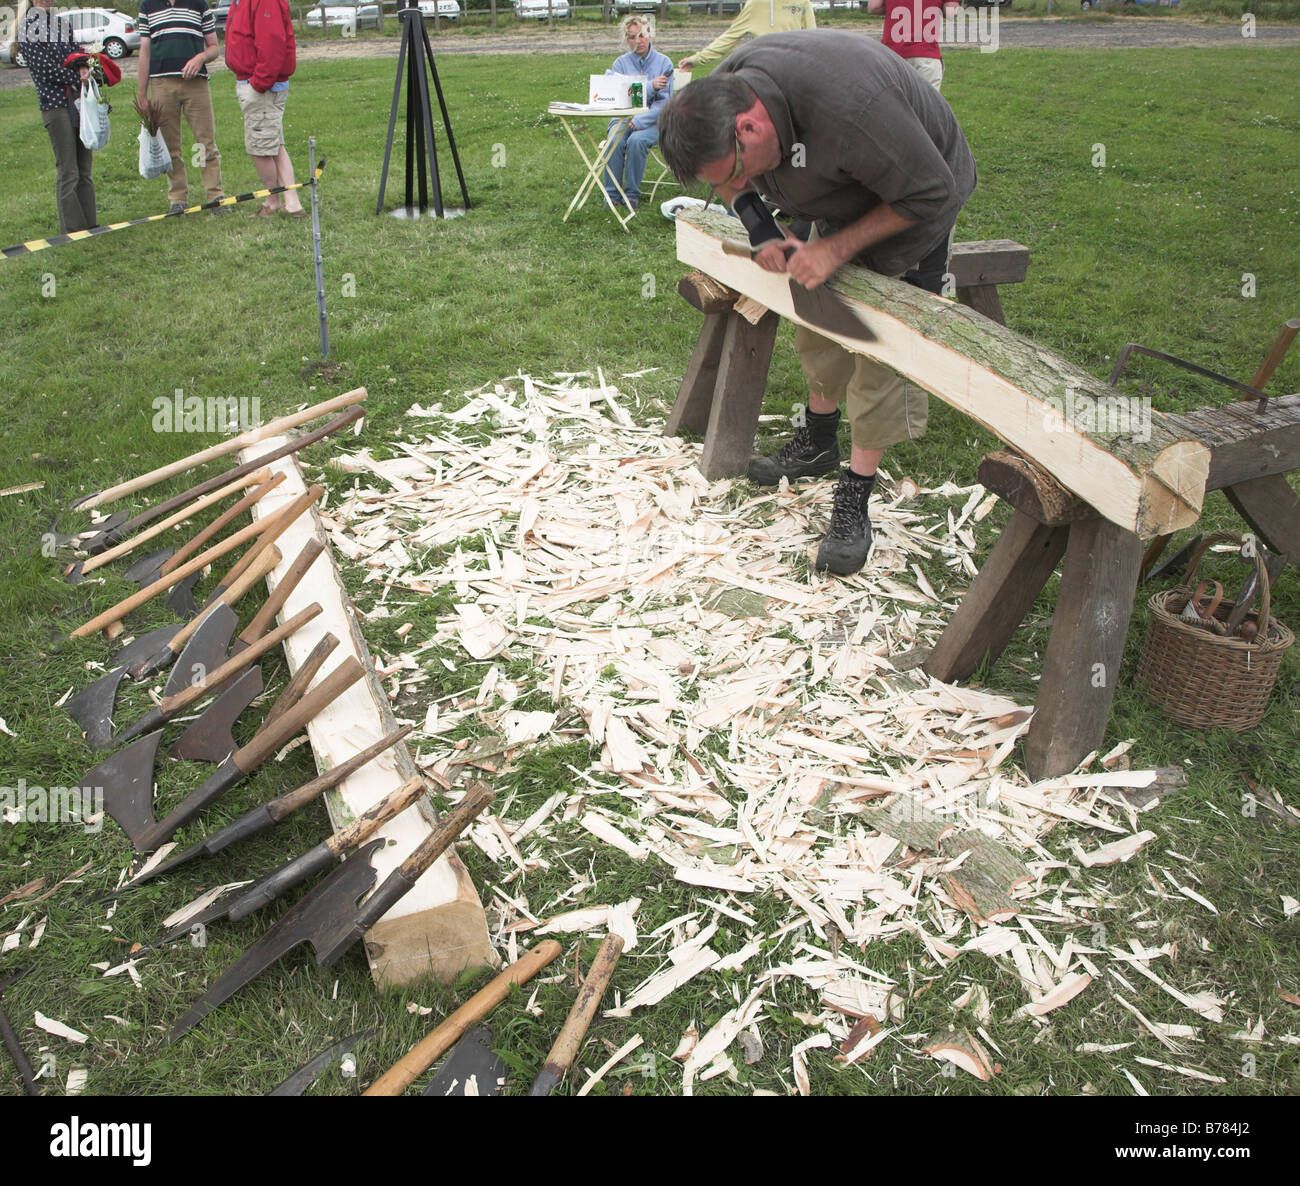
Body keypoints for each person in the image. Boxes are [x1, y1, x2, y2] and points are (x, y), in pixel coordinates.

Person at [658, 30, 976, 576]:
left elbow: (932, 191)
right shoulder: (727, 94)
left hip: (915, 196)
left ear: (750, 127)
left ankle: (855, 495)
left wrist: (835, 248)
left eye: (739, 172)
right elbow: (732, 181)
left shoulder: (853, 109)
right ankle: (818, 439)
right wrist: (760, 228)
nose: (739, 185)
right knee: (814, 312)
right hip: (838, 187)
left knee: (877, 347)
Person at [137, 0, 227, 214]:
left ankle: (214, 197)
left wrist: (201, 57)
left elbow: (214, 47)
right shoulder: (148, 6)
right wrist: (142, 93)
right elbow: (145, 52)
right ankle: (177, 198)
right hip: (161, 84)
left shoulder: (199, 4)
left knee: (203, 142)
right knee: (171, 146)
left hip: (196, 84)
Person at [18, 0, 96, 233]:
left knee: (85, 168)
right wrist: (75, 77)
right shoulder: (27, 27)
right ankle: (73, 230)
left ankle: (91, 225)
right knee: (68, 170)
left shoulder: (62, 24)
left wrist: (84, 66)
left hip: (78, 102)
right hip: (55, 105)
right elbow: (45, 70)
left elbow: (77, 52)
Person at [224, 0, 305, 216]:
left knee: (260, 148)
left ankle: (272, 201)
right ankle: (293, 203)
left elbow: (272, 44)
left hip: (262, 87)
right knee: (274, 144)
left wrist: (258, 84)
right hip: (257, 84)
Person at [602, 15, 673, 214]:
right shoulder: (620, 64)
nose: (638, 41)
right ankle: (612, 195)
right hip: (623, 117)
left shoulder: (664, 63)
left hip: (654, 121)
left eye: (642, 35)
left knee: (636, 141)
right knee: (614, 140)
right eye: (632, 37)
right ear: (627, 40)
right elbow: (619, 98)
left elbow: (664, 103)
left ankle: (631, 195)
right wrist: (649, 87)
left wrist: (639, 121)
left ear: (650, 34)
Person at [678, 0, 815, 74]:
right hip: (764, 69)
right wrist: (696, 59)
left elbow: (812, 38)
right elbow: (730, 36)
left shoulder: (803, 2)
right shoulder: (756, 3)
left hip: (793, 68)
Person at [869, 0, 960, 92]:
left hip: (892, 53)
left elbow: (873, 8)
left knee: (893, 103)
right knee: (926, 104)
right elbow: (950, 13)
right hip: (925, 54)